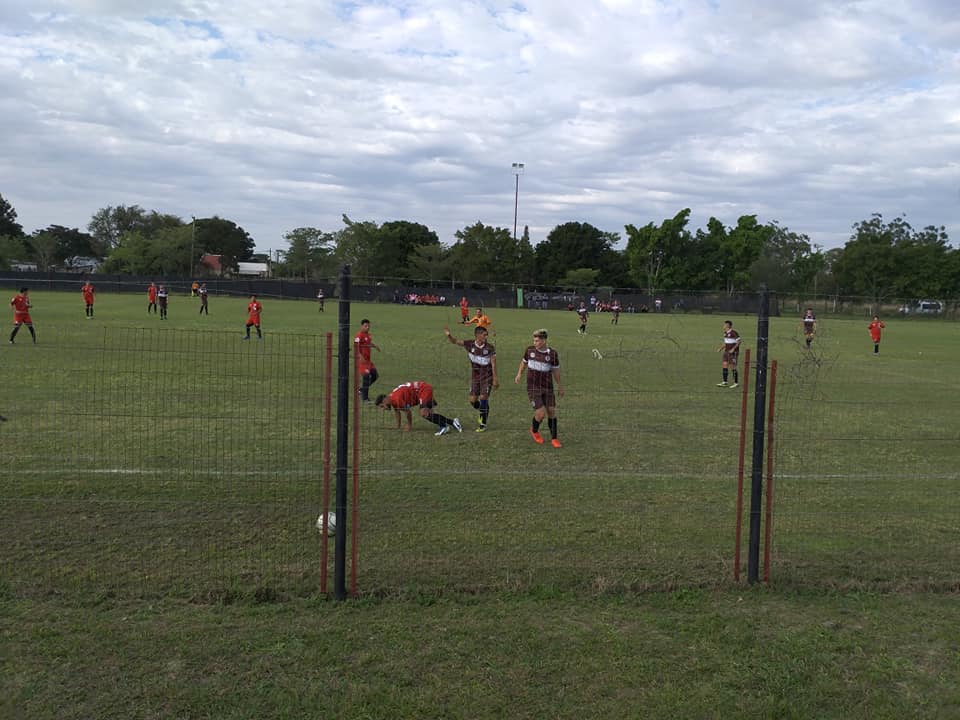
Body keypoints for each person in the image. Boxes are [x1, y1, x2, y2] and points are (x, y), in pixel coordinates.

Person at [444, 324, 498, 432]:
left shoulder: (490, 348)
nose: (486, 337)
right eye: (484, 335)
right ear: (477, 335)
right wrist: (449, 335)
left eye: (486, 335)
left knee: (483, 398)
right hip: (475, 377)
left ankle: (483, 424)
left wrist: (495, 378)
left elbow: (493, 363)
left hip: (487, 377)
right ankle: (484, 410)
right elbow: (455, 341)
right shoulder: (469, 344)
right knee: (473, 401)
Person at [515, 328, 563, 448]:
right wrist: (519, 374)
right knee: (541, 414)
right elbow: (524, 362)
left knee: (551, 411)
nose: (535, 343)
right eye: (534, 340)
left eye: (537, 340)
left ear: (544, 341)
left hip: (547, 387)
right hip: (533, 387)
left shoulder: (552, 354)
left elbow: (556, 371)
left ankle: (554, 438)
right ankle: (534, 430)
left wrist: (560, 386)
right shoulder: (529, 350)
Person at [375, 381, 462, 436]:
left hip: (423, 390)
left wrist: (409, 425)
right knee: (429, 414)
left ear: (385, 399)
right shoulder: (393, 399)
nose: (384, 408)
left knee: (423, 413)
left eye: (382, 406)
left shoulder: (396, 399)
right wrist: (397, 426)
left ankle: (444, 426)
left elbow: (408, 412)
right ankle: (453, 422)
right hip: (422, 389)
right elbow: (397, 412)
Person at [354, 319, 381, 401]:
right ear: (361, 326)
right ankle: (365, 398)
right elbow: (356, 347)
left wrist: (375, 346)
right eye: (365, 326)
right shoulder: (358, 336)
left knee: (375, 375)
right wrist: (359, 356)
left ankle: (361, 390)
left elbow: (368, 343)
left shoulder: (368, 335)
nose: (367, 327)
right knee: (366, 377)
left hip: (368, 361)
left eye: (369, 326)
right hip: (362, 361)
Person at [716, 320, 742, 388]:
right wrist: (720, 348)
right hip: (726, 352)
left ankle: (736, 383)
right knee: (724, 365)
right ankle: (725, 382)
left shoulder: (733, 333)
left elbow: (739, 341)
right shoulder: (725, 333)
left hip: (733, 352)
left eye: (724, 325)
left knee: (732, 366)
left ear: (727, 325)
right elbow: (726, 343)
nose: (723, 326)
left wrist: (733, 349)